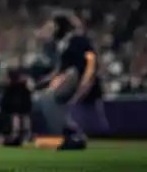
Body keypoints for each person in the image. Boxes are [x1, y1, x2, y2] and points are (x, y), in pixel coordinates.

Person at [38, 11, 108, 151]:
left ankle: (72, 133)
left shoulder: (77, 40)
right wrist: (41, 82)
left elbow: (90, 61)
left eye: (53, 27)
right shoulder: (63, 44)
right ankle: (71, 133)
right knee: (50, 101)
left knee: (50, 99)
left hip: (80, 79)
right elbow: (60, 69)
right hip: (73, 80)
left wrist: (86, 82)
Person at [0, 68, 33, 148]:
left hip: (14, 115)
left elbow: (23, 106)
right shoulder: (16, 88)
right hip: (12, 115)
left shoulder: (20, 89)